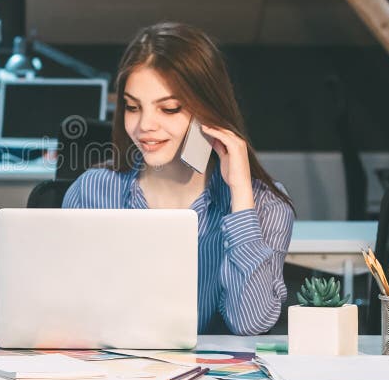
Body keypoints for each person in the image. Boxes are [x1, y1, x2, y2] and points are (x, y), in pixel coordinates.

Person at [63, 22, 294, 336]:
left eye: (169, 109)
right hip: (110, 377)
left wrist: (241, 196)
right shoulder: (91, 191)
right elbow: (64, 313)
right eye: (132, 107)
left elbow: (249, 322)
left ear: (208, 112)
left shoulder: (265, 206)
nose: (145, 125)